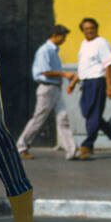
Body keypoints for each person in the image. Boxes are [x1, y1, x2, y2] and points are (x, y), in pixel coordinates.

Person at [15, 24, 78, 160]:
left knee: (63, 118)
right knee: (39, 118)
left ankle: (71, 150)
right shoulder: (45, 50)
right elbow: (44, 71)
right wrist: (64, 74)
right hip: (47, 88)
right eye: (63, 36)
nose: (64, 40)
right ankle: (21, 147)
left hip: (55, 88)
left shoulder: (53, 51)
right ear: (56, 35)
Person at [65, 17, 111, 159]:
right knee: (87, 113)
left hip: (97, 81)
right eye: (86, 29)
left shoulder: (101, 43)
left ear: (96, 28)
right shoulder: (84, 44)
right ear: (82, 31)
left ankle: (87, 146)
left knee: (93, 114)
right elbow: (83, 67)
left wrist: (109, 87)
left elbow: (107, 66)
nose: (89, 31)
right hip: (86, 82)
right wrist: (73, 82)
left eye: (92, 28)